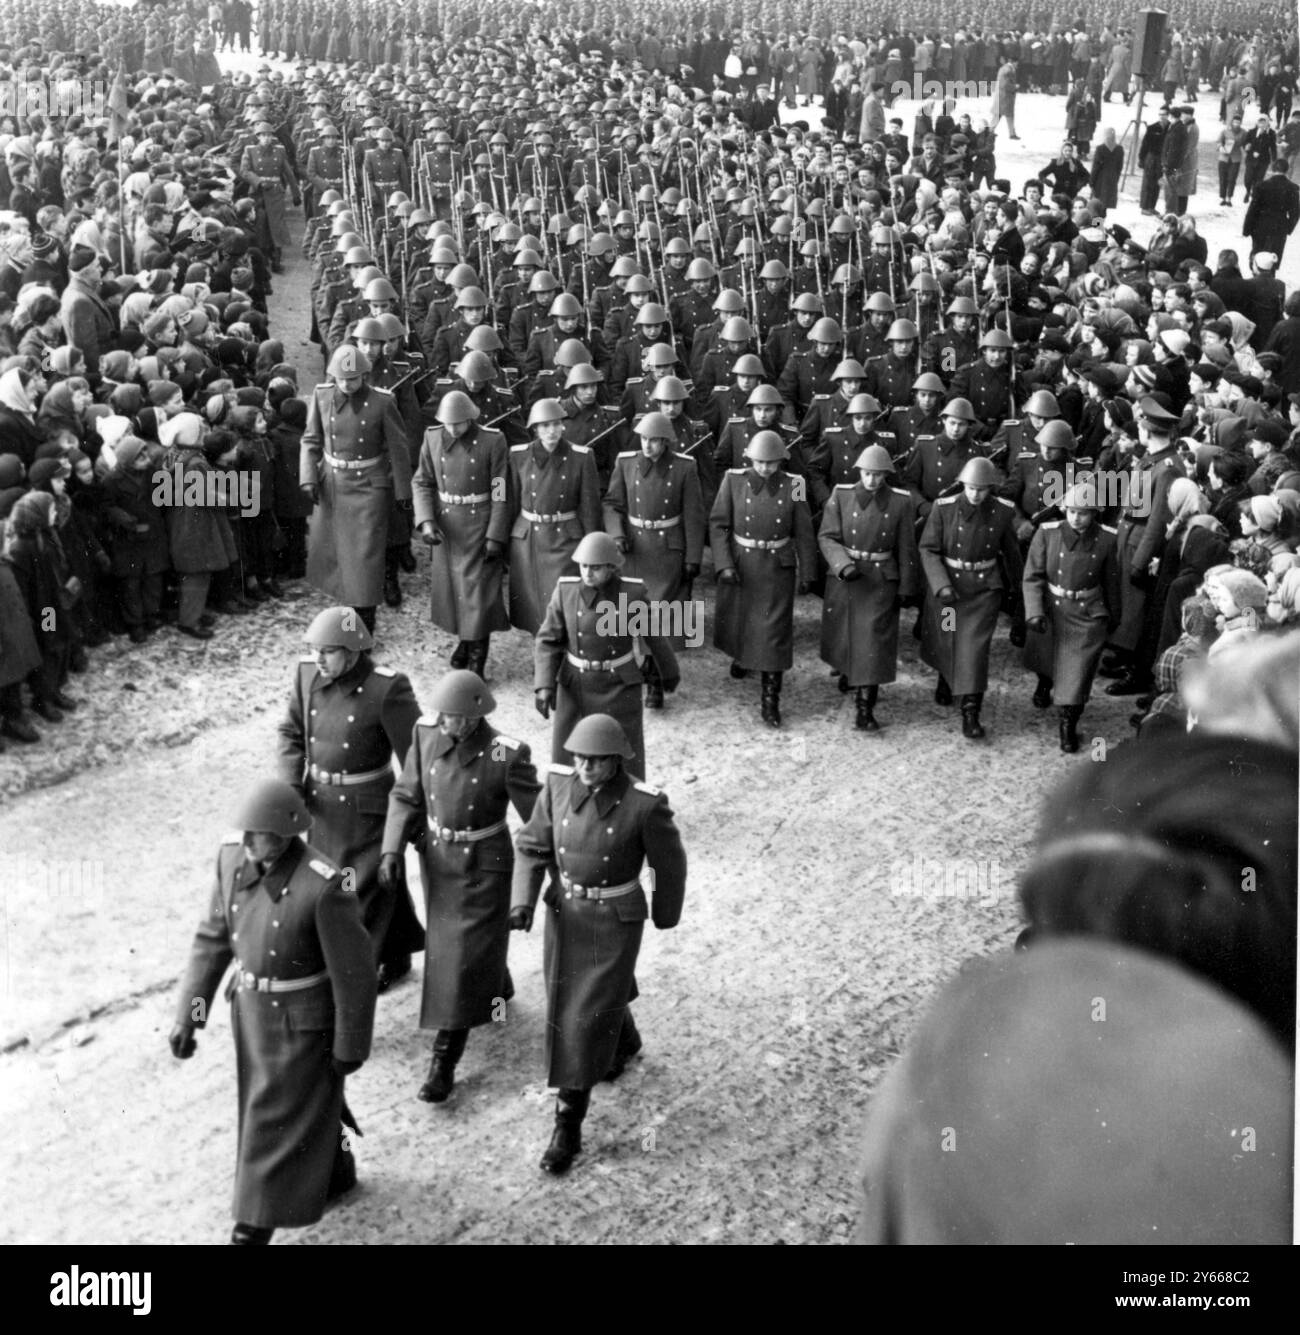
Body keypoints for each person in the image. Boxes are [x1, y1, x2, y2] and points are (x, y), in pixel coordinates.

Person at [170, 778, 378, 1245]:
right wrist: (191, 1015)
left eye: (257, 835)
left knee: (271, 1122)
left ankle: (252, 1228)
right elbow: (213, 940)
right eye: (242, 832)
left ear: (285, 835)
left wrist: (350, 1046)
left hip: (302, 1025)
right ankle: (336, 1169)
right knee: (299, 1104)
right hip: (251, 1019)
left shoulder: (322, 886)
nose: (246, 844)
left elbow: (355, 975)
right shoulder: (231, 862)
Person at [509, 713, 687, 1175]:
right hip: (565, 913)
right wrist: (523, 900)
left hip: (614, 922)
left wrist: (666, 912)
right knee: (580, 1000)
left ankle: (567, 1124)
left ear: (616, 760)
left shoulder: (644, 805)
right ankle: (624, 1040)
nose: (585, 768)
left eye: (596, 761)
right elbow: (532, 845)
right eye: (579, 758)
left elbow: (670, 863)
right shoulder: (558, 788)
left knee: (582, 1020)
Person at [380, 669, 540, 1103]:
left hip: (484, 867)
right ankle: (495, 986)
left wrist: (539, 880)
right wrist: (393, 848)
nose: (443, 721)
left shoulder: (506, 754)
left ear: (471, 718)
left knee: (458, 959)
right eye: (440, 714)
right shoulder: (426, 734)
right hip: (438, 861)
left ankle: (444, 1060)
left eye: (451, 716)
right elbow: (406, 794)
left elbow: (538, 825)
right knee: (456, 947)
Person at [276, 606, 425, 993]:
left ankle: (356, 976)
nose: (318, 659)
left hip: (368, 808)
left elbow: (417, 756)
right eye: (314, 650)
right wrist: (293, 787)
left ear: (354, 650)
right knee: (337, 883)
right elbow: (291, 733)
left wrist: (412, 812)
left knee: (357, 889)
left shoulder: (386, 688)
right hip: (321, 807)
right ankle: (395, 951)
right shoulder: (307, 674)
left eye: (328, 651)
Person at [533, 530, 679, 779]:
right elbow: (548, 640)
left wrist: (669, 671)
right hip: (575, 684)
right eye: (584, 566)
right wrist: (544, 685)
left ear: (612, 567)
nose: (588, 573)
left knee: (623, 751)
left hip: (618, 685)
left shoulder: (632, 595)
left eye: (596, 568)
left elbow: (653, 636)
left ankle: (627, 804)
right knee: (569, 753)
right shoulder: (565, 593)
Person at [299, 345, 413, 634]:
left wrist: (402, 493)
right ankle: (346, 615)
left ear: (364, 375)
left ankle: (363, 622)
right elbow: (311, 439)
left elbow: (398, 450)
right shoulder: (322, 396)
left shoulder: (383, 402)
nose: (346, 384)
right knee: (338, 556)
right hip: (334, 485)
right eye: (340, 378)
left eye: (352, 379)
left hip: (368, 487)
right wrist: (308, 477)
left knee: (364, 557)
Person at [709, 429, 818, 726]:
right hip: (743, 564)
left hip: (777, 568)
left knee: (774, 632)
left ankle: (770, 698)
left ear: (782, 461)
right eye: (759, 462)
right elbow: (719, 525)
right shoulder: (733, 480)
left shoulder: (795, 484)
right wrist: (724, 563)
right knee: (743, 621)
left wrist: (808, 570)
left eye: (771, 463)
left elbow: (804, 530)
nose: (765, 468)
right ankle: (743, 657)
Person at [918, 455, 1024, 739]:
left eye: (982, 488)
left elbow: (1011, 552)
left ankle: (971, 711)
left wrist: (1019, 592)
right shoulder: (944, 509)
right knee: (948, 637)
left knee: (974, 649)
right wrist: (940, 585)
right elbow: (928, 549)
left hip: (983, 592)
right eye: (971, 488)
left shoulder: (1002, 512)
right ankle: (946, 677)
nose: (976, 494)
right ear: (962, 484)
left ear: (991, 488)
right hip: (950, 592)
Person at [817, 443, 920, 730]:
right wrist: (842, 565)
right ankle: (849, 671)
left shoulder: (901, 502)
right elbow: (827, 537)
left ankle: (865, 708)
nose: (872, 480)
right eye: (867, 473)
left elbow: (906, 547)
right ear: (859, 471)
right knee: (847, 634)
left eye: (878, 474)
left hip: (880, 580)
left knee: (874, 643)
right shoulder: (841, 495)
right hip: (848, 577)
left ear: (886, 474)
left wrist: (907, 587)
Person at [411, 390, 511, 679]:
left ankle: (478, 657)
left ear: (471, 418)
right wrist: (426, 521)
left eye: (459, 423)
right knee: (455, 593)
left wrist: (495, 533)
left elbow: (500, 490)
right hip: (447, 528)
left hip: (479, 524)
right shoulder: (432, 438)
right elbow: (422, 481)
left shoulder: (492, 441)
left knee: (478, 595)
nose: (453, 429)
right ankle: (465, 643)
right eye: (448, 423)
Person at [1021, 480, 1121, 752]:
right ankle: (1045, 683)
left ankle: (1068, 722)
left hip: (1087, 613)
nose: (1077, 517)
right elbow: (1032, 576)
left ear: (1094, 513)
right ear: (1064, 508)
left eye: (1084, 512)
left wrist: (1114, 617)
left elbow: (1112, 581)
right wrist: (1034, 611)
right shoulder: (1047, 533)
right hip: (1053, 607)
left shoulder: (1107, 539)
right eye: (1072, 511)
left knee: (1078, 671)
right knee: (1048, 657)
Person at [506, 396, 602, 635]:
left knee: (562, 601)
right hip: (528, 538)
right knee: (532, 604)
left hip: (565, 539)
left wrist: (593, 548)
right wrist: (499, 535)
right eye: (545, 425)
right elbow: (502, 493)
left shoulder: (581, 457)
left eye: (556, 424)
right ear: (535, 429)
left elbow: (591, 506)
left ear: (563, 425)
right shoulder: (516, 456)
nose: (551, 431)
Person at [1242, 158, 1300, 263]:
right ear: (1286, 170)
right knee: (1274, 256)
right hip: (1279, 225)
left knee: (1258, 254)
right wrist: (1288, 228)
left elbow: (1253, 209)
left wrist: (1247, 228)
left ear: (1273, 169)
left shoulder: (1261, 186)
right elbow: (1295, 213)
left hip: (1260, 224)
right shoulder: (1292, 188)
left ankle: (1257, 275)